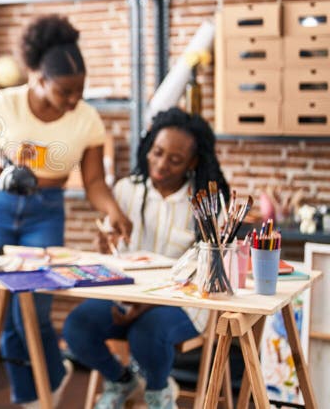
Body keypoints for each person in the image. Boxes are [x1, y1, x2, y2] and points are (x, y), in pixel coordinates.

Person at [0, 14, 132, 407]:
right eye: (66, 91)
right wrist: (3, 164)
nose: (74, 100)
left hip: (45, 212)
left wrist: (114, 212)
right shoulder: (4, 103)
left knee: (34, 308)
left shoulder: (86, 118)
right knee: (5, 306)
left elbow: (94, 183)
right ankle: (32, 396)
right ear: (38, 78)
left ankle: (46, 381)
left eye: (80, 90)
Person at [62, 107, 230, 409]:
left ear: (192, 162)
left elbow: (203, 272)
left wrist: (147, 304)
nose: (161, 164)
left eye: (175, 160)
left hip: (185, 304)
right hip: (128, 297)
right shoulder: (127, 190)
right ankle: (122, 380)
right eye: (157, 152)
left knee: (147, 333)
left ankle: (158, 394)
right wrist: (106, 244)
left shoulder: (205, 202)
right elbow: (118, 257)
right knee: (77, 326)